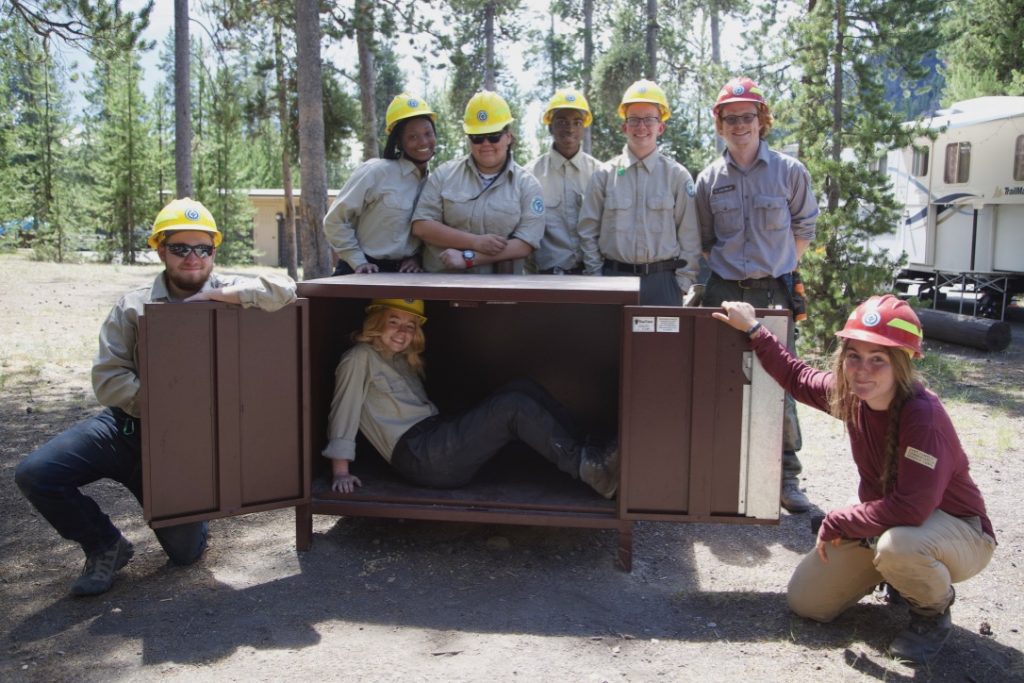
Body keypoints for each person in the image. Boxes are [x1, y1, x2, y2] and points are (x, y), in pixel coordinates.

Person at [14, 198, 297, 597]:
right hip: (129, 427)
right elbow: (109, 379)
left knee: (185, 554)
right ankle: (104, 546)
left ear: (215, 251)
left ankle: (195, 507)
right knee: (36, 473)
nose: (193, 257)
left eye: (204, 248)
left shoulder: (232, 291)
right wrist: (167, 410)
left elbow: (285, 289)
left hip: (185, 448)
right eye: (181, 248)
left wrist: (219, 299)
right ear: (161, 249)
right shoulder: (132, 306)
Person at [713, 295, 995, 664]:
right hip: (895, 523)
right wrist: (754, 329)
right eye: (854, 355)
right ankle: (895, 576)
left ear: (902, 362)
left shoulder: (923, 417)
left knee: (899, 548)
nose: (863, 370)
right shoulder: (852, 396)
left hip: (961, 532)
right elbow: (798, 377)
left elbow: (912, 507)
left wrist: (840, 519)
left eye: (878, 359)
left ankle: (931, 612)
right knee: (806, 601)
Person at [323, 298, 619, 498]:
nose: (402, 332)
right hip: (422, 457)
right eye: (394, 322)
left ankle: (591, 449)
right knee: (513, 407)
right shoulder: (359, 357)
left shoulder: (399, 358)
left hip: (433, 438)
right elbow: (343, 411)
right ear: (376, 321)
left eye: (410, 326)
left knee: (522, 388)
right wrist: (340, 472)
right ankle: (594, 473)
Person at [695, 76, 819, 513]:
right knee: (720, 382)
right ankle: (721, 471)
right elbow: (706, 241)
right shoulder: (709, 179)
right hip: (725, 295)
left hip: (773, 295)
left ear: (761, 121)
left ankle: (787, 478)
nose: (740, 125)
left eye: (748, 116)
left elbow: (805, 228)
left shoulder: (790, 172)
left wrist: (779, 264)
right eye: (731, 118)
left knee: (780, 383)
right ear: (720, 123)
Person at [577, 79, 701, 305]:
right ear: (624, 126)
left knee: (662, 342)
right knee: (613, 341)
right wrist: (596, 277)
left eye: (649, 119)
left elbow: (689, 235)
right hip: (613, 279)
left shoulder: (677, 176)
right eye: (633, 120)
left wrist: (682, 283)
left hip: (663, 283)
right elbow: (588, 231)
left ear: (660, 127)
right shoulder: (603, 176)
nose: (641, 127)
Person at [411, 91, 545, 273]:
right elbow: (421, 226)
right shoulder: (444, 175)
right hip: (443, 287)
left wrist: (470, 258)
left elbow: (526, 243)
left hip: (501, 293)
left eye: (494, 135)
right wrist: (475, 242)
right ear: (468, 139)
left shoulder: (527, 185)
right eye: (477, 137)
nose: (486, 143)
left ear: (508, 136)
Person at [324, 93, 436, 275]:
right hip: (360, 271)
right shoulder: (375, 172)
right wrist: (357, 261)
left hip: (404, 275)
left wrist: (416, 257)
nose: (423, 141)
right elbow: (334, 220)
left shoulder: (435, 183)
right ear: (398, 141)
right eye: (412, 137)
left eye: (427, 133)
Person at [524, 87, 600, 274]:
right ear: (550, 127)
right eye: (562, 122)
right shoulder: (529, 174)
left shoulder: (600, 174)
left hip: (592, 276)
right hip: (546, 279)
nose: (570, 128)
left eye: (577, 122)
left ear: (584, 128)